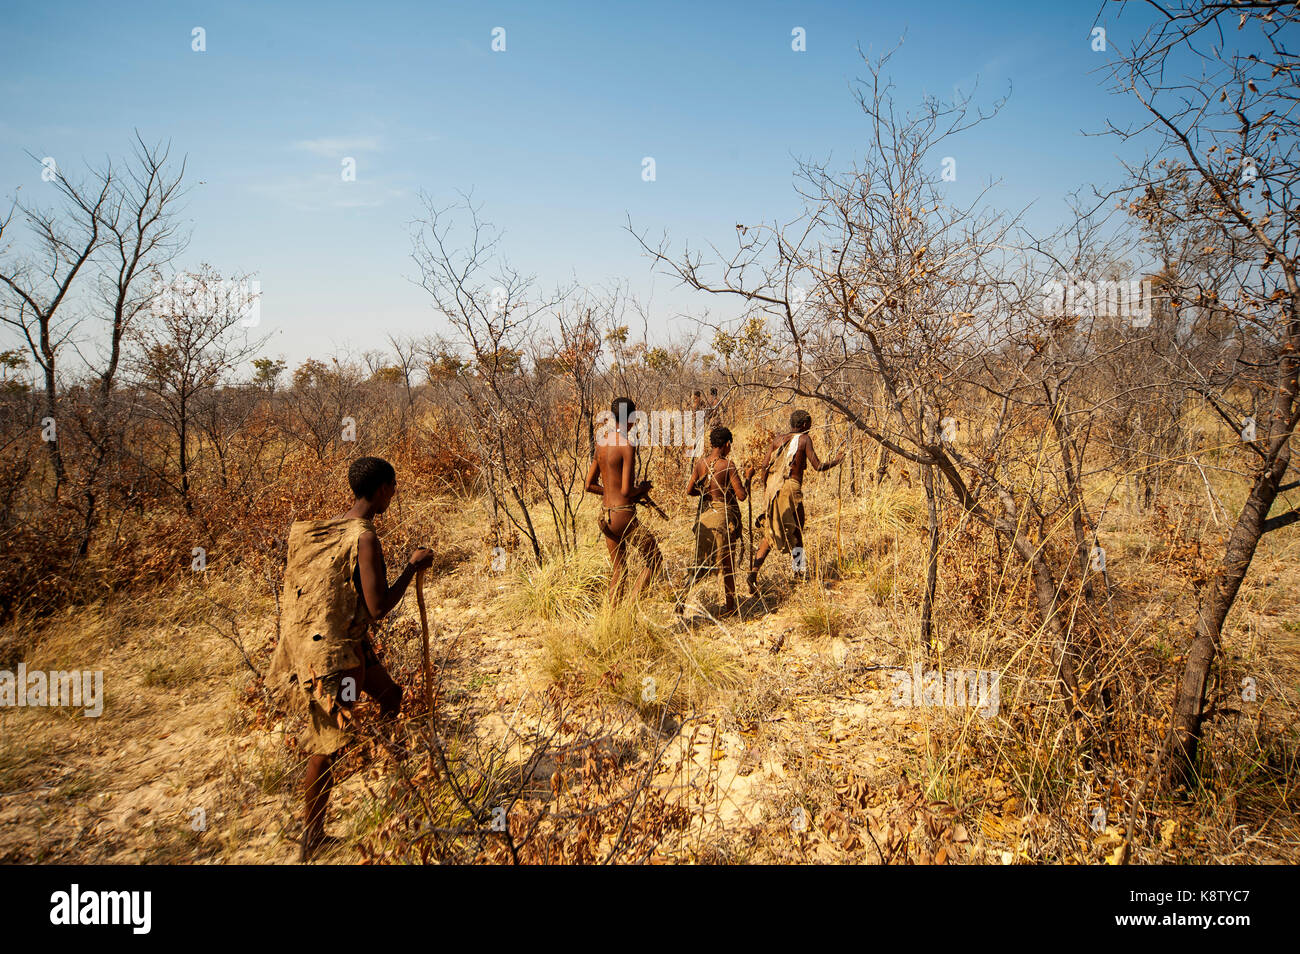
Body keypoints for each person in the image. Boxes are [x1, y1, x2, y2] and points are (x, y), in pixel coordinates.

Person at [267, 456, 434, 862]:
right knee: (327, 746)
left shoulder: (324, 529)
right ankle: (313, 838)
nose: (394, 495)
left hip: (338, 641)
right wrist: (412, 568)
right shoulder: (364, 538)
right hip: (334, 655)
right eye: (392, 488)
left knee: (391, 697)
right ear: (380, 490)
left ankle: (398, 776)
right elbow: (378, 607)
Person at [748, 409, 842, 592]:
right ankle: (799, 573)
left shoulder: (777, 440)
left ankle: (753, 572)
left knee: (770, 531)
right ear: (805, 424)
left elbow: (764, 466)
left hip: (773, 488)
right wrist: (837, 461)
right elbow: (818, 466)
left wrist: (768, 489)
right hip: (791, 488)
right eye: (810, 424)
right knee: (797, 530)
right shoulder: (804, 439)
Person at [585, 396, 665, 601]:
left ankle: (612, 621)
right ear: (631, 418)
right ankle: (631, 607)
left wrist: (611, 494)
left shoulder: (601, 444)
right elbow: (626, 491)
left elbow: (589, 485)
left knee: (619, 572)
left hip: (605, 517)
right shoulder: (626, 445)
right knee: (654, 559)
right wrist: (643, 488)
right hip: (623, 517)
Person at [676, 426, 754, 616]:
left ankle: (681, 599)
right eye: (730, 446)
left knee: (700, 563)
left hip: (705, 517)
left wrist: (705, 493)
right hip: (721, 518)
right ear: (727, 444)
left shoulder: (701, 463)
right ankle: (730, 608)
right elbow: (742, 496)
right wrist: (748, 479)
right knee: (727, 565)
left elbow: (689, 490)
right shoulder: (728, 466)